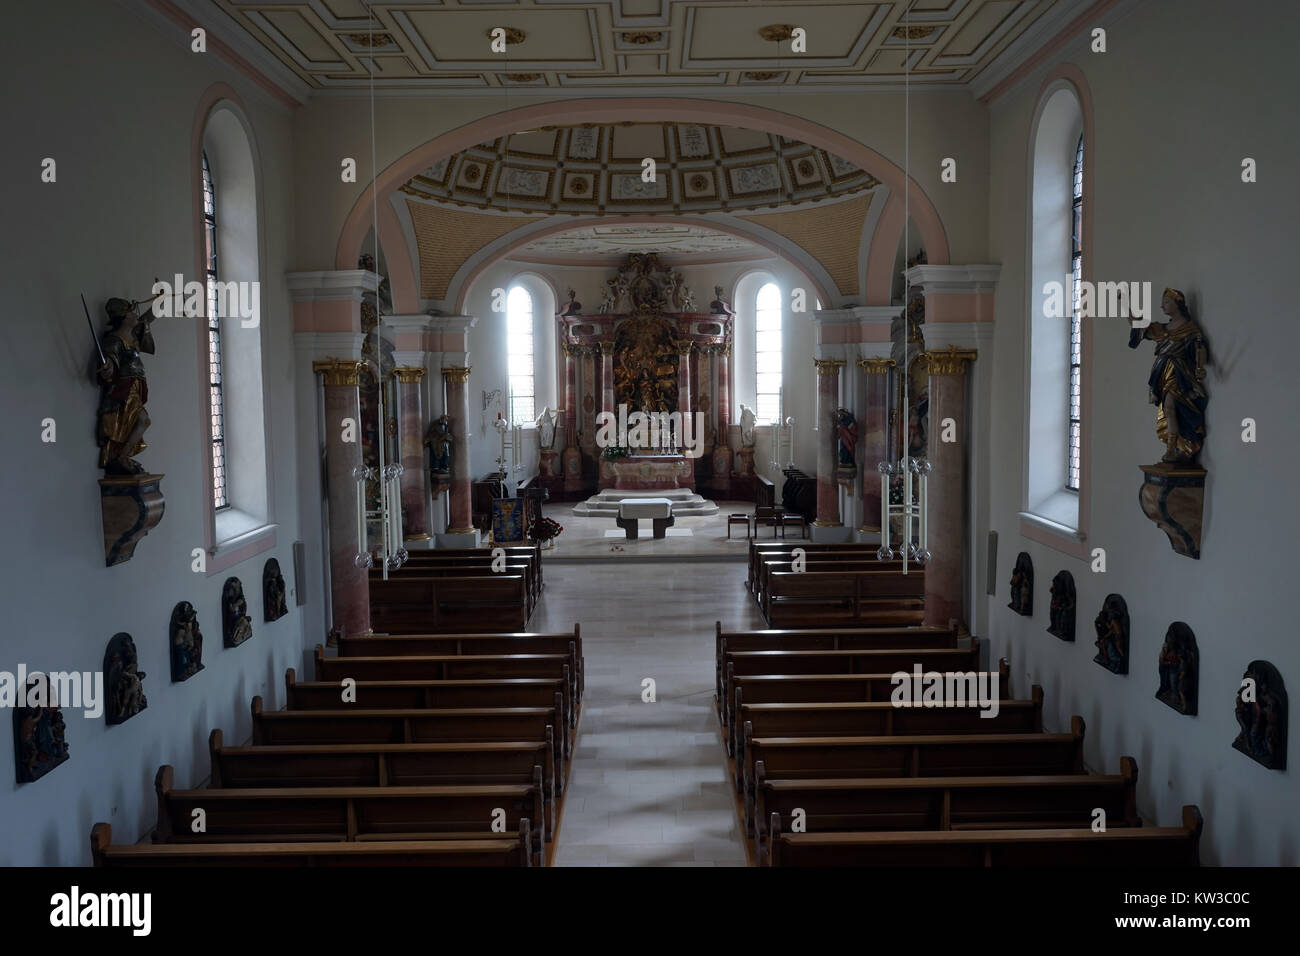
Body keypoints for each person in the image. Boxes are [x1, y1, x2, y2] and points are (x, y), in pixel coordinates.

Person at [1128, 288, 1208, 464]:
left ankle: (1173, 448)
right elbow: (1141, 327)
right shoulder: (1162, 329)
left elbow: (1199, 352)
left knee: (1172, 407)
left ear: (1177, 303)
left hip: (1180, 374)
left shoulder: (1190, 330)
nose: (1161, 306)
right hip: (1162, 373)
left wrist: (1199, 367)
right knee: (1169, 409)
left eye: (1165, 302)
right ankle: (1176, 446)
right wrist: (1130, 305)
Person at [95, 296, 160, 474]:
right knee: (143, 420)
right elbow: (109, 362)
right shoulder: (114, 339)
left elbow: (149, 317)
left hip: (136, 386)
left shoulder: (133, 335)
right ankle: (122, 457)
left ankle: (123, 457)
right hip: (124, 388)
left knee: (131, 423)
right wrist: (107, 368)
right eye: (131, 313)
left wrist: (162, 300)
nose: (135, 315)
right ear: (124, 317)